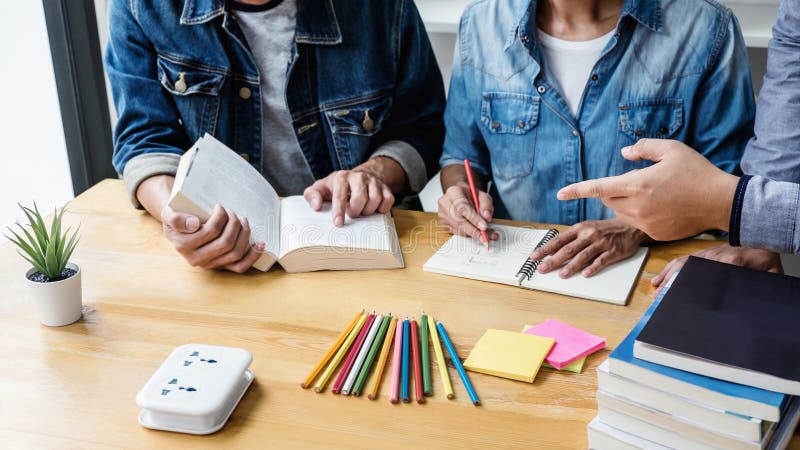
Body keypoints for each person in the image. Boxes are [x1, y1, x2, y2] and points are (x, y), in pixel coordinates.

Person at [105, 0, 445, 272]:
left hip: (363, 246)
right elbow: (144, 139)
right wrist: (178, 217)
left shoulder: (383, 7)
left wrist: (371, 175)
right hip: (222, 263)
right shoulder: (142, 6)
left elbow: (423, 128)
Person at [436, 0, 755, 279]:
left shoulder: (706, 27)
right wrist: (460, 194)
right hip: (513, 271)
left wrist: (635, 229)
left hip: (644, 274)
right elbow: (461, 156)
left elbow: (726, 188)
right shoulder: (480, 24)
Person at [557, 0, 800, 290]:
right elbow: (793, 74)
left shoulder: (705, 26)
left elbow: (725, 178)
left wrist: (746, 216)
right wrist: (757, 234)